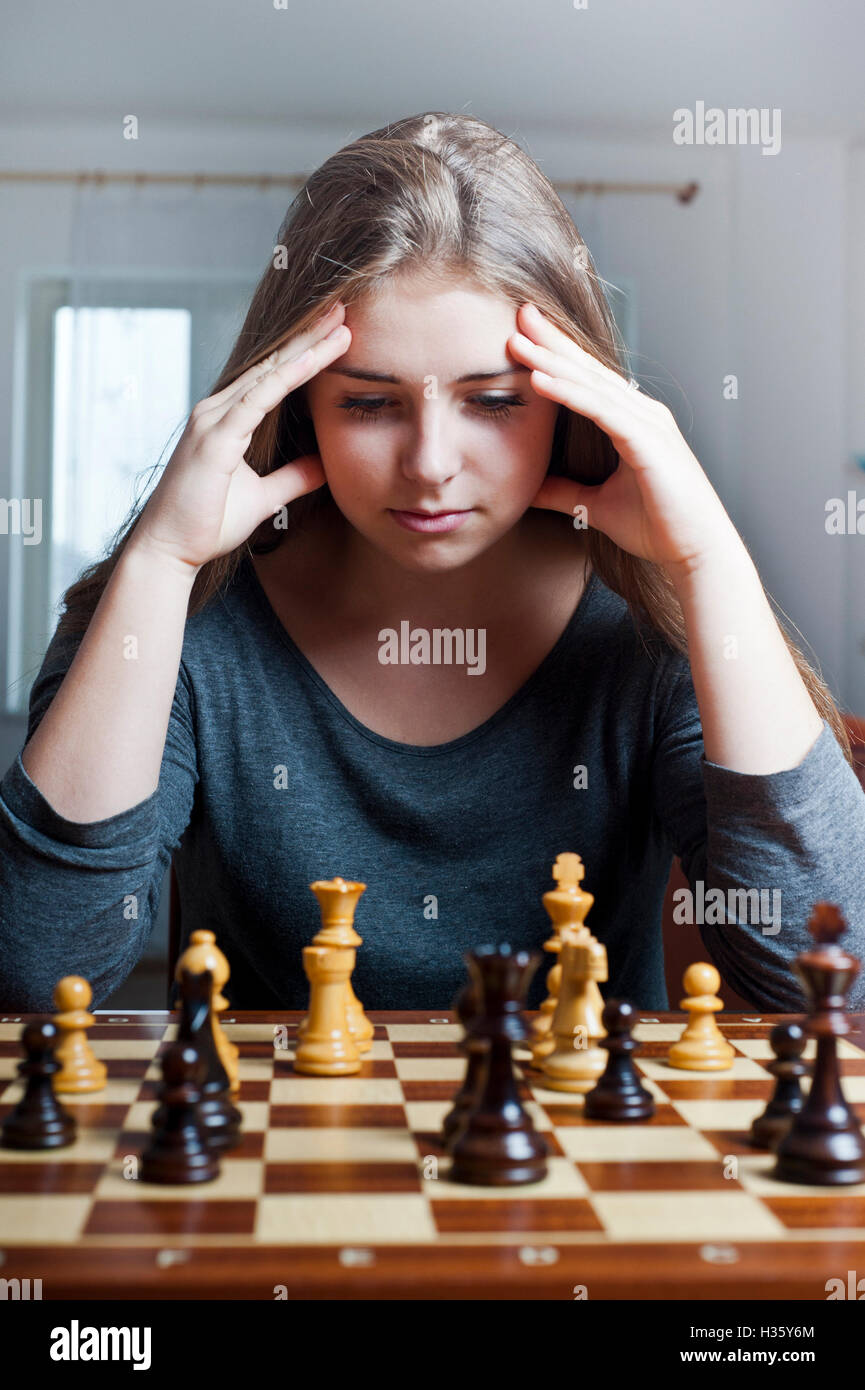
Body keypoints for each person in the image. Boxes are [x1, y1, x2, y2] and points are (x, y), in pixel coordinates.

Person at [1, 111, 863, 1014]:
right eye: (370, 404)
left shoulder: (649, 632)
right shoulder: (171, 615)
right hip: (269, 1151)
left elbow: (829, 978)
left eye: (491, 401)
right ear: (292, 402)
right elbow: (30, 978)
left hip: (586, 1152)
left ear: (573, 403)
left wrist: (710, 563)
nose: (429, 463)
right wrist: (156, 565)